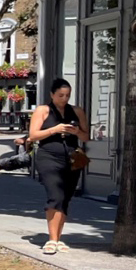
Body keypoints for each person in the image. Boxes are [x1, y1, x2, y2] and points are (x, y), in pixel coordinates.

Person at [29, 78, 90, 254]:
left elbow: (86, 138)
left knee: (65, 198)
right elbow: (33, 135)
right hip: (49, 157)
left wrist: (77, 131)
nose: (64, 99)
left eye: (67, 95)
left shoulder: (76, 111)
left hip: (71, 158)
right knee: (55, 195)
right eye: (60, 95)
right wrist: (54, 130)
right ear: (52, 94)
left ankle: (58, 238)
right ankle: (51, 240)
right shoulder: (43, 110)